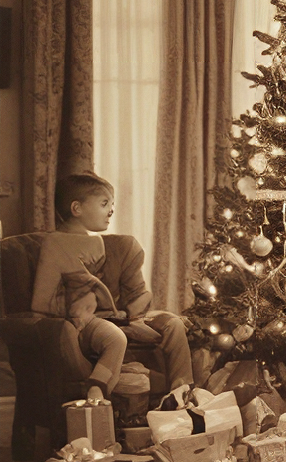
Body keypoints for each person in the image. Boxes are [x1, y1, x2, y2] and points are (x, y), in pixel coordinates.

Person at [31, 172, 194, 404]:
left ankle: (181, 392)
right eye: (104, 203)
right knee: (114, 337)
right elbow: (42, 301)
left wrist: (130, 313)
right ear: (77, 208)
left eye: (112, 204)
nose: (111, 210)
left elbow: (123, 298)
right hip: (86, 323)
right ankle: (97, 389)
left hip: (118, 318)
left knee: (173, 324)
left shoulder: (97, 243)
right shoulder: (54, 243)